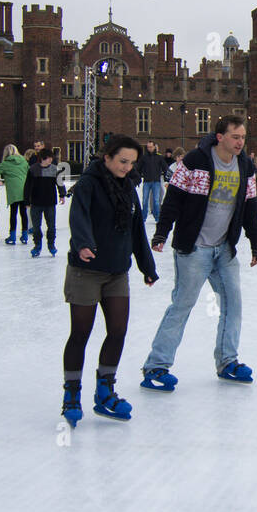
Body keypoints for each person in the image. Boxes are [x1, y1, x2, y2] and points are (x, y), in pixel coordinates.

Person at [140, 115, 257, 391]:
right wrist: (161, 232)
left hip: (225, 249)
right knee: (182, 305)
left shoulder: (245, 167)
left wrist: (255, 242)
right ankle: (156, 366)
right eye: (235, 136)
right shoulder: (194, 161)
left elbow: (251, 207)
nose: (240, 142)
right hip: (194, 248)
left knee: (233, 304)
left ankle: (227, 361)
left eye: (243, 137)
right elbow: (173, 200)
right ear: (220, 137)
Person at [61, 135, 159, 427]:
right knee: (80, 333)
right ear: (107, 158)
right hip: (86, 270)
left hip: (117, 271)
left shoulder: (128, 188)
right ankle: (71, 394)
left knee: (117, 330)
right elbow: (78, 217)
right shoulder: (88, 184)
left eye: (131, 162)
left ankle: (105, 391)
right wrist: (83, 243)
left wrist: (147, 266)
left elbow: (136, 230)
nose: (127, 167)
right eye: (122, 161)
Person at [24, 148, 68, 256]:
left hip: (50, 202)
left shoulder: (54, 169)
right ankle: (37, 245)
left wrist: (62, 195)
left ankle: (51, 245)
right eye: (49, 158)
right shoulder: (33, 169)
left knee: (51, 226)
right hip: (36, 202)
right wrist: (26, 201)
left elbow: (60, 183)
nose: (51, 160)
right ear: (43, 158)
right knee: (36, 226)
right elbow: (27, 186)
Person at [0, 144, 31, 244]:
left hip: (13, 192)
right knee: (23, 213)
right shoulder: (23, 161)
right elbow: (30, 172)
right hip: (24, 190)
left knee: (13, 214)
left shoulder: (5, 163)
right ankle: (24, 235)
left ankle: (12, 236)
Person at [138, 142, 169, 222]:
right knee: (145, 200)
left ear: (154, 147)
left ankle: (157, 217)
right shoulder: (144, 157)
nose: (149, 148)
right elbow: (138, 169)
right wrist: (137, 178)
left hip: (156, 182)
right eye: (148, 147)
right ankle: (143, 217)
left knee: (156, 201)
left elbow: (165, 168)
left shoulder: (159, 157)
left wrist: (167, 179)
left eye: (151, 147)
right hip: (146, 182)